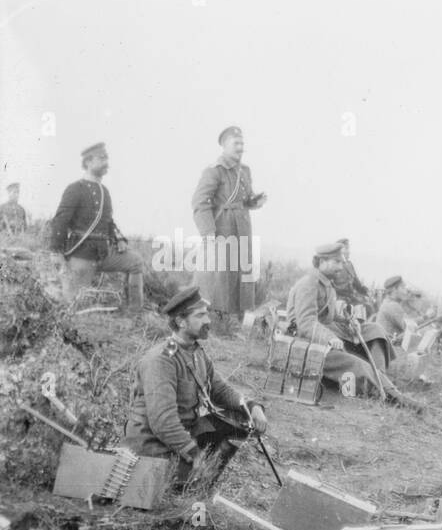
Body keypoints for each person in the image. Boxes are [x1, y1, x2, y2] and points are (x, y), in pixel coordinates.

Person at [122, 285, 268, 487]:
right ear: (181, 322)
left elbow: (220, 389)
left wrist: (251, 406)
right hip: (153, 445)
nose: (208, 320)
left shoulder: (196, 352)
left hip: (181, 434)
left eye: (206, 314)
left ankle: (201, 476)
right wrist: (194, 453)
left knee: (241, 419)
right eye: (200, 315)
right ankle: (193, 480)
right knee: (191, 482)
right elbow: (163, 421)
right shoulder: (161, 361)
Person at [286, 242, 422, 411]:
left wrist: (347, 319)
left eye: (342, 262)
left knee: (374, 330)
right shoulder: (309, 284)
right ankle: (392, 396)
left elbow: (328, 314)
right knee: (356, 364)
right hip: (306, 343)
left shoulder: (326, 283)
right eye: (337, 262)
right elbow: (306, 323)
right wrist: (330, 338)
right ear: (321, 262)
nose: (341, 266)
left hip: (324, 335)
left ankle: (380, 376)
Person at [48, 143, 146, 310]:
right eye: (102, 158)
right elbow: (60, 221)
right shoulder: (75, 188)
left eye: (106, 158)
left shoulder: (104, 191)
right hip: (81, 254)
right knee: (75, 307)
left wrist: (119, 238)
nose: (106, 162)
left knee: (135, 261)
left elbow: (108, 221)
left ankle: (135, 312)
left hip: (103, 254)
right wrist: (56, 252)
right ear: (88, 162)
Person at [192, 126, 266, 317]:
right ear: (224, 146)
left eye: (242, 143)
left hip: (243, 226)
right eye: (236, 144)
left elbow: (244, 198)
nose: (240, 147)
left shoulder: (245, 170)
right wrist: (208, 232)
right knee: (221, 272)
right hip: (222, 226)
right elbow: (199, 202)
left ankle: (238, 314)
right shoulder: (215, 171)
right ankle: (217, 315)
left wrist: (254, 201)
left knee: (242, 269)